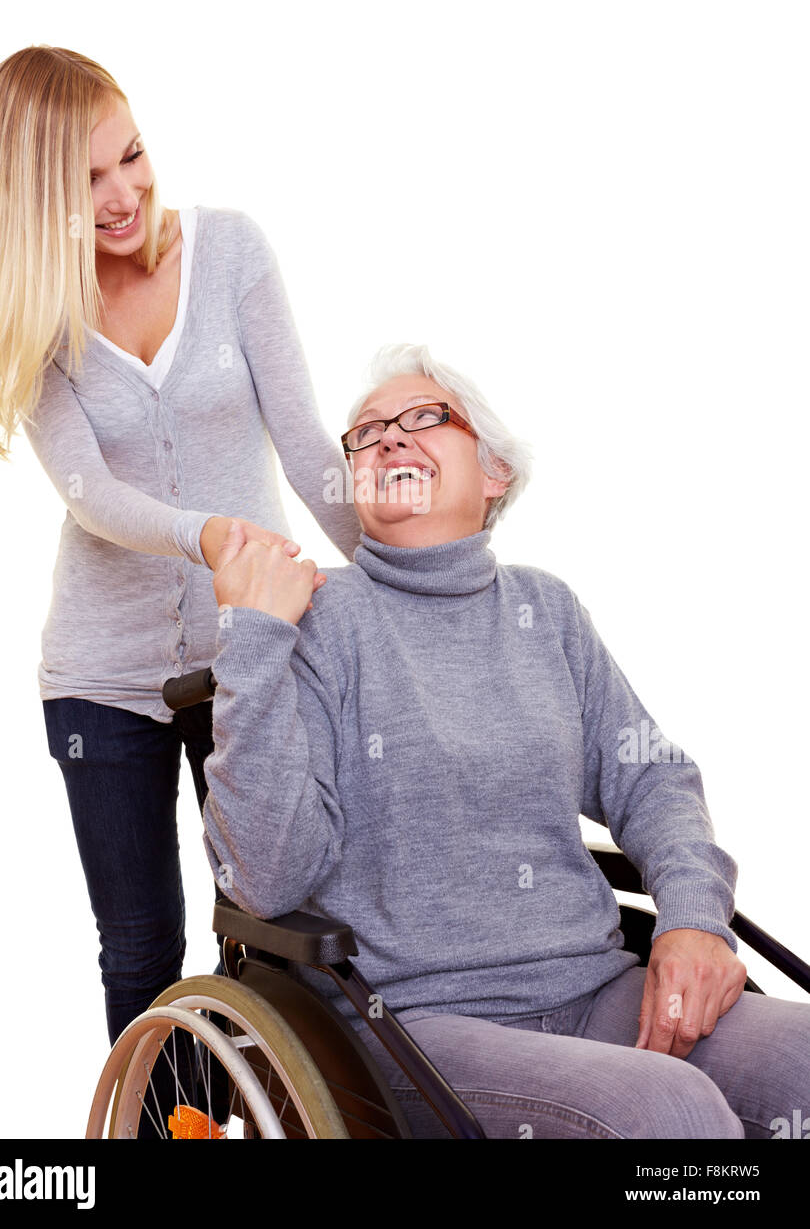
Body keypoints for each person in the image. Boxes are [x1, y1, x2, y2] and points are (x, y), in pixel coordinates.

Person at [201, 342, 810, 1139]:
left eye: (422, 419)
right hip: (412, 1019)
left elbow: (653, 780)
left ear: (496, 475)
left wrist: (694, 920)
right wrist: (252, 638)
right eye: (366, 431)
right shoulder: (321, 621)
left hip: (596, 992)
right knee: (668, 1113)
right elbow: (271, 879)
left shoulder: (546, 612)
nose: (388, 438)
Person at [0, 46, 361, 1060]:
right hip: (102, 680)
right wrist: (206, 534)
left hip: (247, 664)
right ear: (31, 195)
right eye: (84, 180)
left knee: (271, 938)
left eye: (130, 155)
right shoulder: (40, 316)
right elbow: (91, 494)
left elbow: (305, 442)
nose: (123, 191)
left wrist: (401, 576)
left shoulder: (230, 253)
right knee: (140, 952)